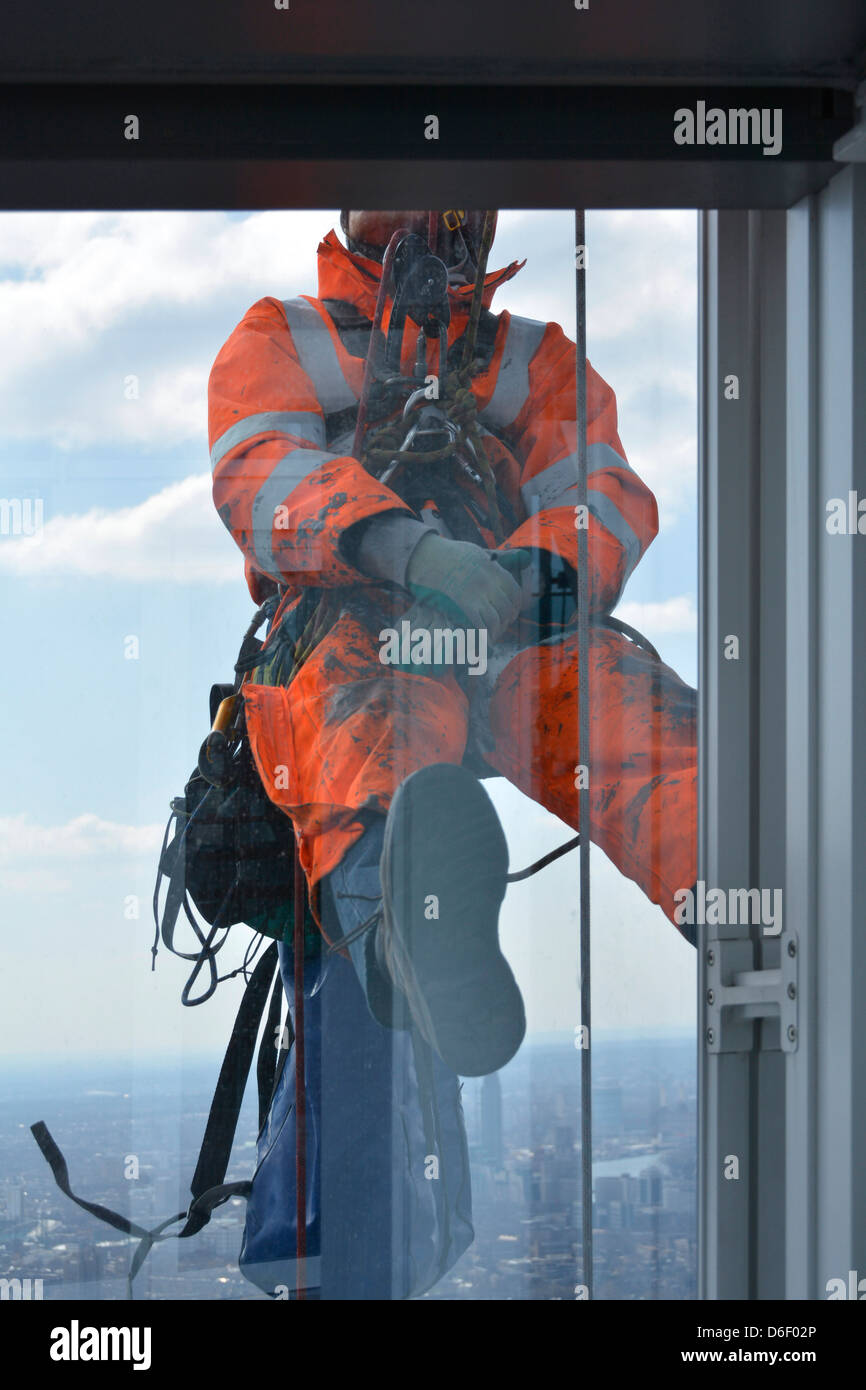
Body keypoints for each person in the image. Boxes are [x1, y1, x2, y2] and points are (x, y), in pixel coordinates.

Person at [208, 210, 698, 1298]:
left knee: (632, 723)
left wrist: (526, 575)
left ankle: (745, 896)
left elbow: (601, 493)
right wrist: (402, 546)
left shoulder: (531, 357)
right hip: (364, 615)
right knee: (373, 729)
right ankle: (399, 937)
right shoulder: (289, 333)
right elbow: (259, 472)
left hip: (513, 623)